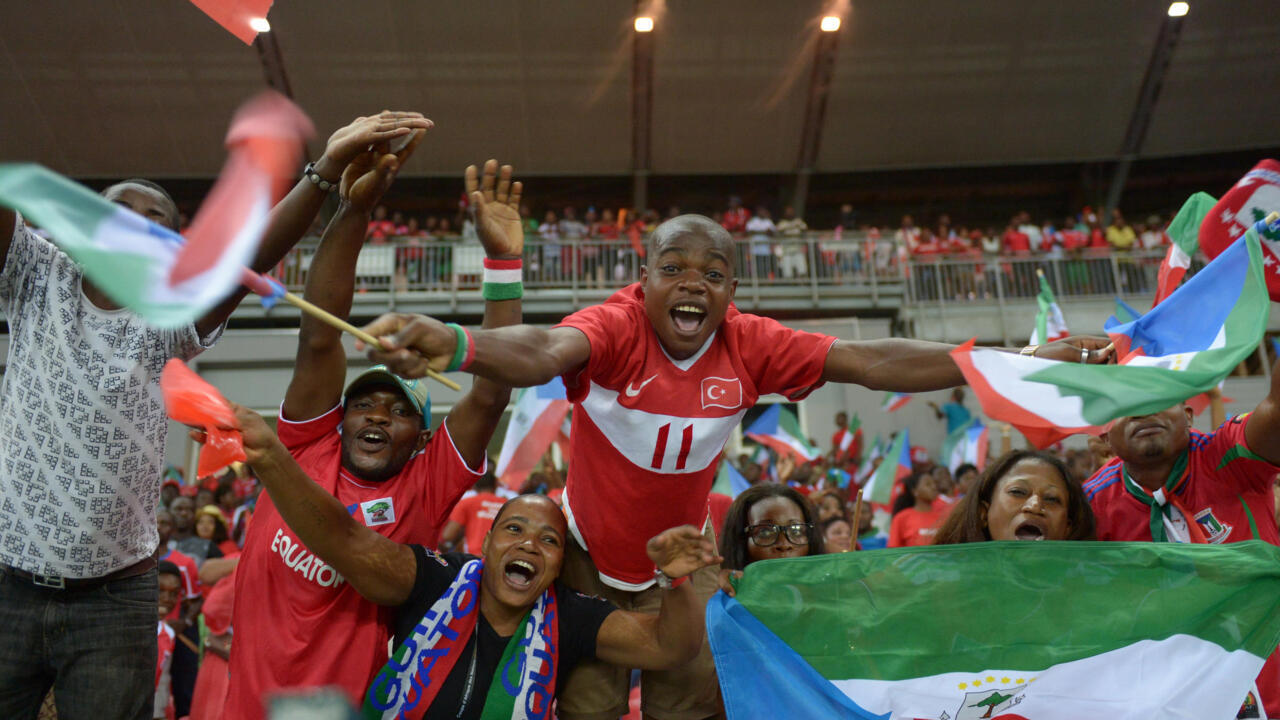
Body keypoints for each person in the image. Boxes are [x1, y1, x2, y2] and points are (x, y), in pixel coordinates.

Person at [355, 213, 1111, 719]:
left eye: (713, 273)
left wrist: (1011, 360)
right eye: (674, 268)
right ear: (642, 280)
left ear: (732, 293)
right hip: (587, 568)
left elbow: (876, 361)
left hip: (677, 578)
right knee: (589, 708)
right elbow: (543, 352)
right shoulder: (614, 328)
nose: (693, 283)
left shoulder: (751, 344)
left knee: (687, 712)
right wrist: (458, 345)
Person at [0, 110, 431, 719]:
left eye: (160, 222)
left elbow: (251, 254)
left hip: (115, 597)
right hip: (6, 582)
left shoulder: (172, 312)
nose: (139, 225)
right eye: (120, 210)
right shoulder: (32, 271)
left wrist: (326, 169)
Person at [226, 149, 526, 718]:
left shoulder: (425, 486)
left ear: (421, 438)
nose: (376, 417)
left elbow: (490, 391)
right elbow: (320, 333)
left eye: (398, 411)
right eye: (362, 404)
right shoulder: (306, 444)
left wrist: (503, 266)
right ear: (340, 419)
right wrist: (353, 210)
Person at [220, 403, 717, 719]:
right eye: (514, 530)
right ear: (488, 543)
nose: (528, 546)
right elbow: (345, 540)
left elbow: (667, 647)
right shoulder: (437, 577)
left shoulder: (571, 614)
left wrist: (676, 582)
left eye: (548, 540)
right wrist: (271, 460)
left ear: (561, 564)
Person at [1083, 361, 1280, 716]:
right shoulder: (1089, 506)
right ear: (1105, 437)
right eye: (1125, 405)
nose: (1143, 410)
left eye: (1159, 397)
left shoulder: (1230, 456)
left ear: (1188, 415)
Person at [933, 450, 1095, 544]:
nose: (1034, 506)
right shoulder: (944, 589)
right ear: (983, 513)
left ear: (1067, 527)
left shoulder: (1088, 593)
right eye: (1018, 492)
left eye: (1052, 498)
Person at [716, 484, 824, 597]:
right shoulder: (722, 601)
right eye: (765, 532)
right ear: (740, 541)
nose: (784, 544)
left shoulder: (832, 595)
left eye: (795, 531)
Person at [439, 470, 506, 554]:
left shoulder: (466, 502)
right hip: (499, 556)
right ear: (496, 485)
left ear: (474, 486)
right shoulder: (507, 505)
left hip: (473, 556)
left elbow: (448, 535)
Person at [888, 472, 948, 547]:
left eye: (935, 484)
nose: (934, 487)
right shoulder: (901, 518)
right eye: (928, 484)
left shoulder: (945, 517)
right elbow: (893, 551)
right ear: (915, 491)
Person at [155, 561, 183, 720]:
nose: (167, 599)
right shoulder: (130, 629)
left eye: (174, 593)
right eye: (160, 590)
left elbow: (162, 683)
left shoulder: (169, 634)